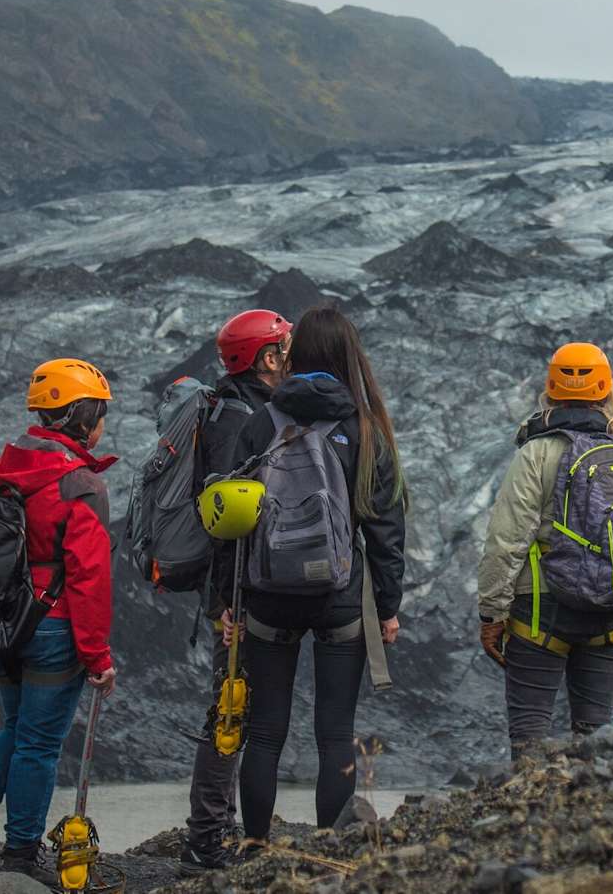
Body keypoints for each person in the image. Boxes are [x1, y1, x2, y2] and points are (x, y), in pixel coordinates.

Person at [222, 306, 407, 848]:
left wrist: (226, 601)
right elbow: (385, 527)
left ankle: (254, 848)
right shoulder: (363, 426)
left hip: (267, 599)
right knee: (334, 734)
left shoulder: (261, 423)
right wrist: (388, 607)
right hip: (339, 598)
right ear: (350, 357)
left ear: (295, 355)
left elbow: (230, 517)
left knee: (264, 733)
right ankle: (330, 851)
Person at [0, 359, 119, 884]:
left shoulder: (5, 467)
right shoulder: (81, 485)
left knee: (18, 726)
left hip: (0, 622)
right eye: (99, 411)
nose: (103, 421)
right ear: (81, 415)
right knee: (39, 742)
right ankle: (20, 854)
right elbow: (88, 578)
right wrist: (98, 657)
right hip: (53, 626)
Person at [477, 343, 613, 762]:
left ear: (550, 391)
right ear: (607, 392)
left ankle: (525, 817)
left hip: (541, 615)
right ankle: (587, 820)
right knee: (596, 742)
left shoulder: (536, 453)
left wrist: (492, 613)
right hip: (612, 618)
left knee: (530, 738)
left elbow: (506, 540)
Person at [178, 309, 293, 874]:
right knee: (229, 709)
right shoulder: (239, 419)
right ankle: (206, 839)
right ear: (267, 358)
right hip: (237, 595)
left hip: (239, 588)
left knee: (236, 707)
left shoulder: (237, 409)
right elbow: (223, 516)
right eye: (285, 348)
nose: (291, 356)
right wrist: (226, 603)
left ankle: (217, 829)